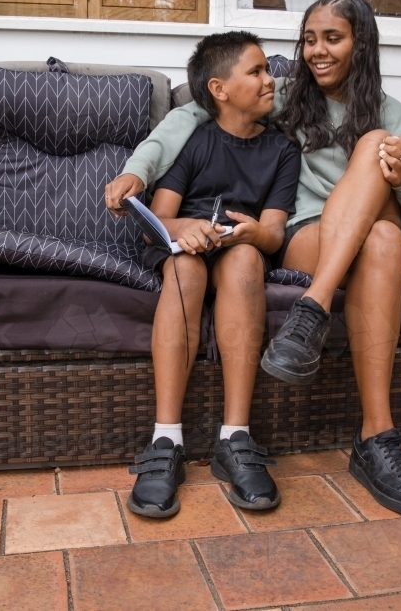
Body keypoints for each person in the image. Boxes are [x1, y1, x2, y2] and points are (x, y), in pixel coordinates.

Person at [107, 0, 401, 518]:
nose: (317, 51)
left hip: (371, 241)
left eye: (333, 38)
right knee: (376, 212)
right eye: (309, 39)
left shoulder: (390, 114)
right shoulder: (284, 94)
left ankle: (376, 436)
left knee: (382, 223)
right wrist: (138, 169)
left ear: (362, 44)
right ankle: (319, 314)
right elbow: (190, 118)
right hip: (310, 237)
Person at [125, 31, 301, 518]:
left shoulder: (283, 151)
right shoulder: (195, 140)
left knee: (246, 260)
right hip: (187, 245)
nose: (271, 80)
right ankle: (166, 443)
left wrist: (248, 235)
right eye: (258, 71)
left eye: (269, 70)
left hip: (238, 247)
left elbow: (273, 234)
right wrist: (193, 229)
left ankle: (235, 438)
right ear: (220, 89)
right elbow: (157, 222)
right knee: (184, 267)